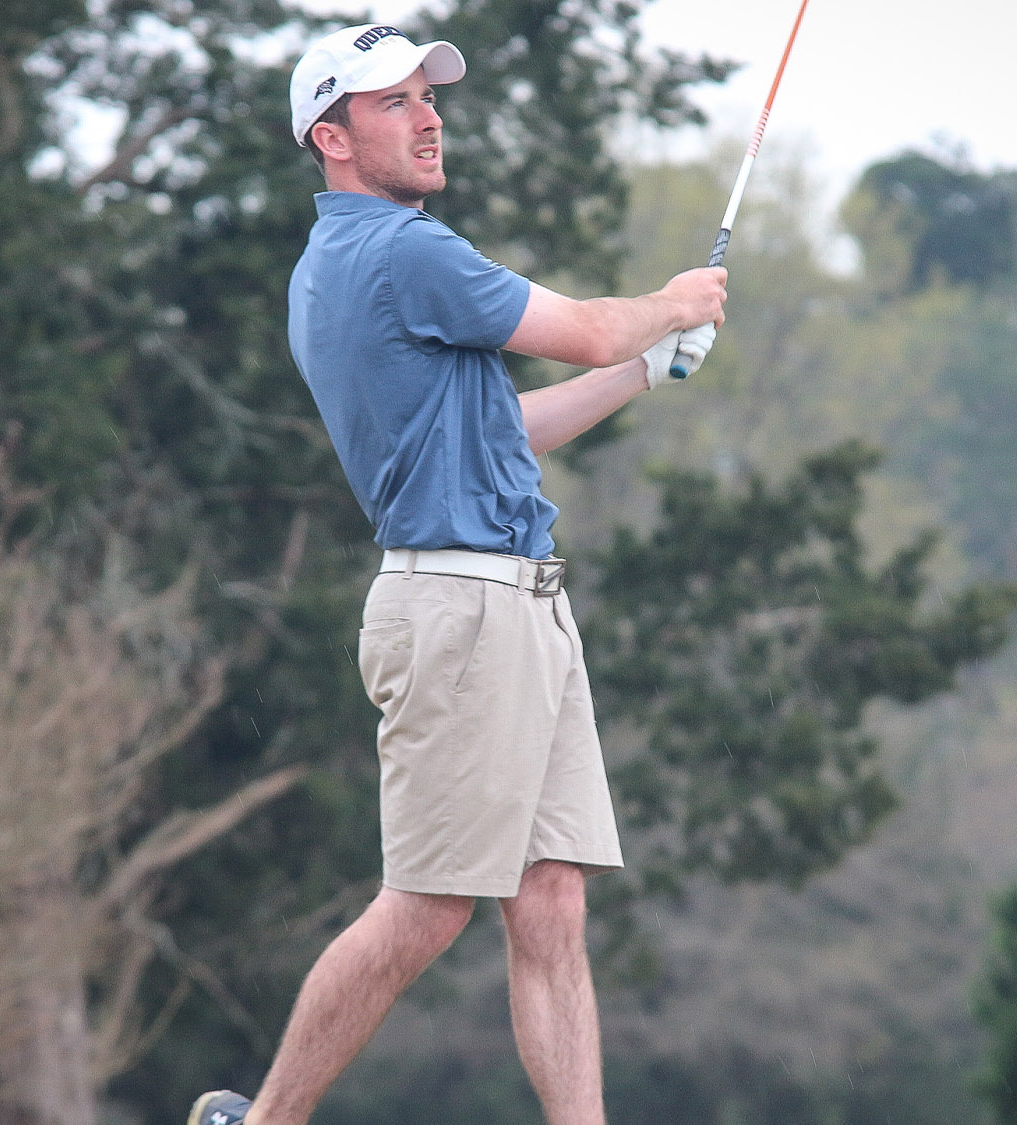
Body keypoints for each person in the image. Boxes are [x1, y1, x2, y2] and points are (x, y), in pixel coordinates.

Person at [191, 23, 725, 1125]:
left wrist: (643, 367)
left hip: (513, 601)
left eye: (428, 97)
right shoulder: (399, 252)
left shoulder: (352, 261)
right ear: (330, 138)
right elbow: (575, 328)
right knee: (426, 907)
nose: (428, 117)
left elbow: (506, 429)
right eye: (394, 103)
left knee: (549, 902)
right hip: (463, 609)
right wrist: (670, 306)